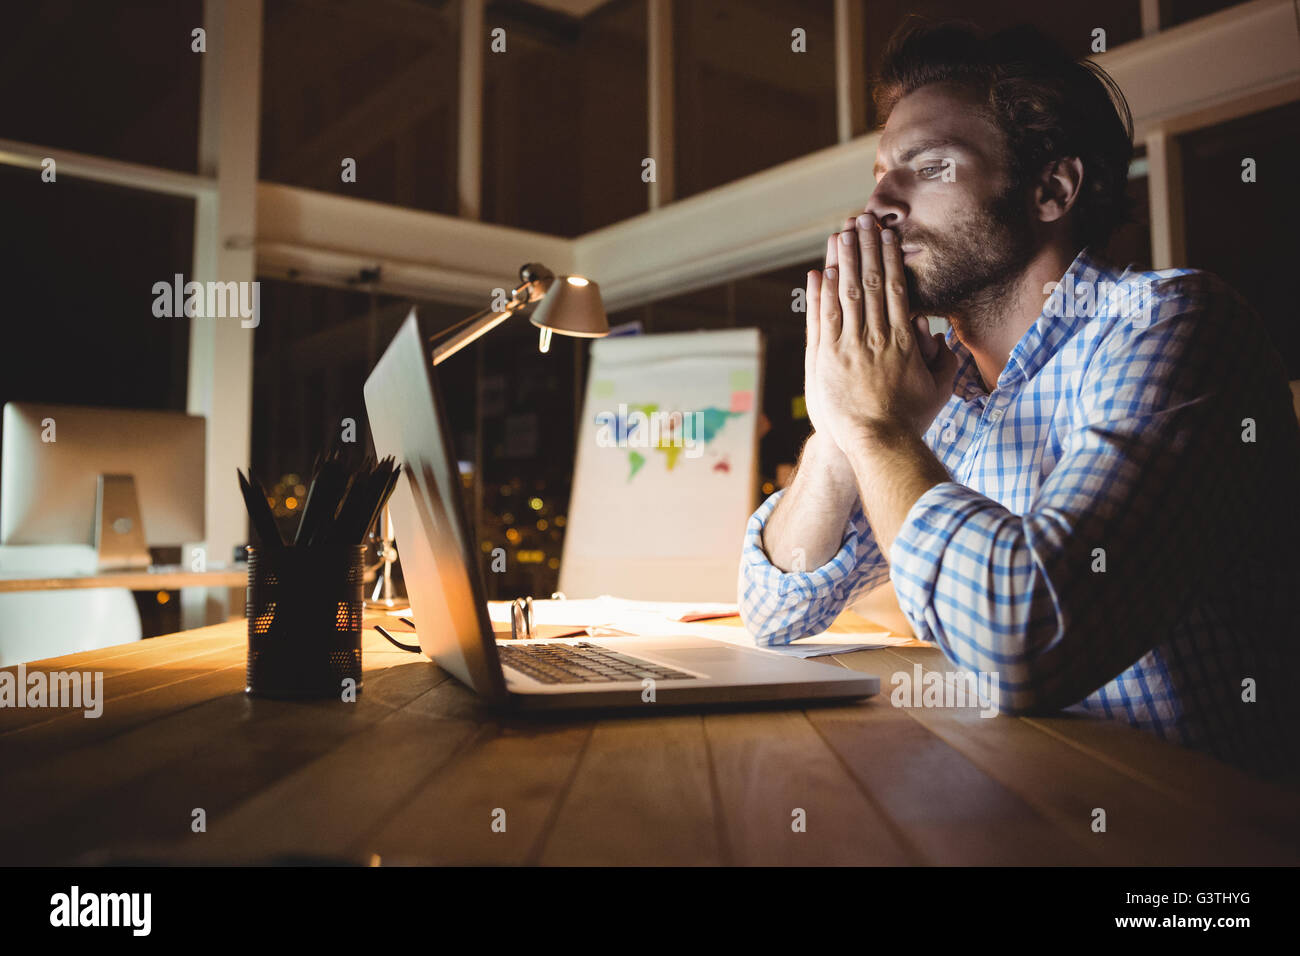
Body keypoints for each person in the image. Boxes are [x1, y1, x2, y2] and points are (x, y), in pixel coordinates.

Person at [738, 20, 1300, 777]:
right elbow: (775, 609)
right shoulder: (942, 392)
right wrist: (845, 419)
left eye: (929, 167)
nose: (879, 203)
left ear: (1050, 189)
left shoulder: (1172, 327)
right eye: (878, 174)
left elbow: (1027, 639)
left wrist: (876, 430)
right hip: (1018, 806)